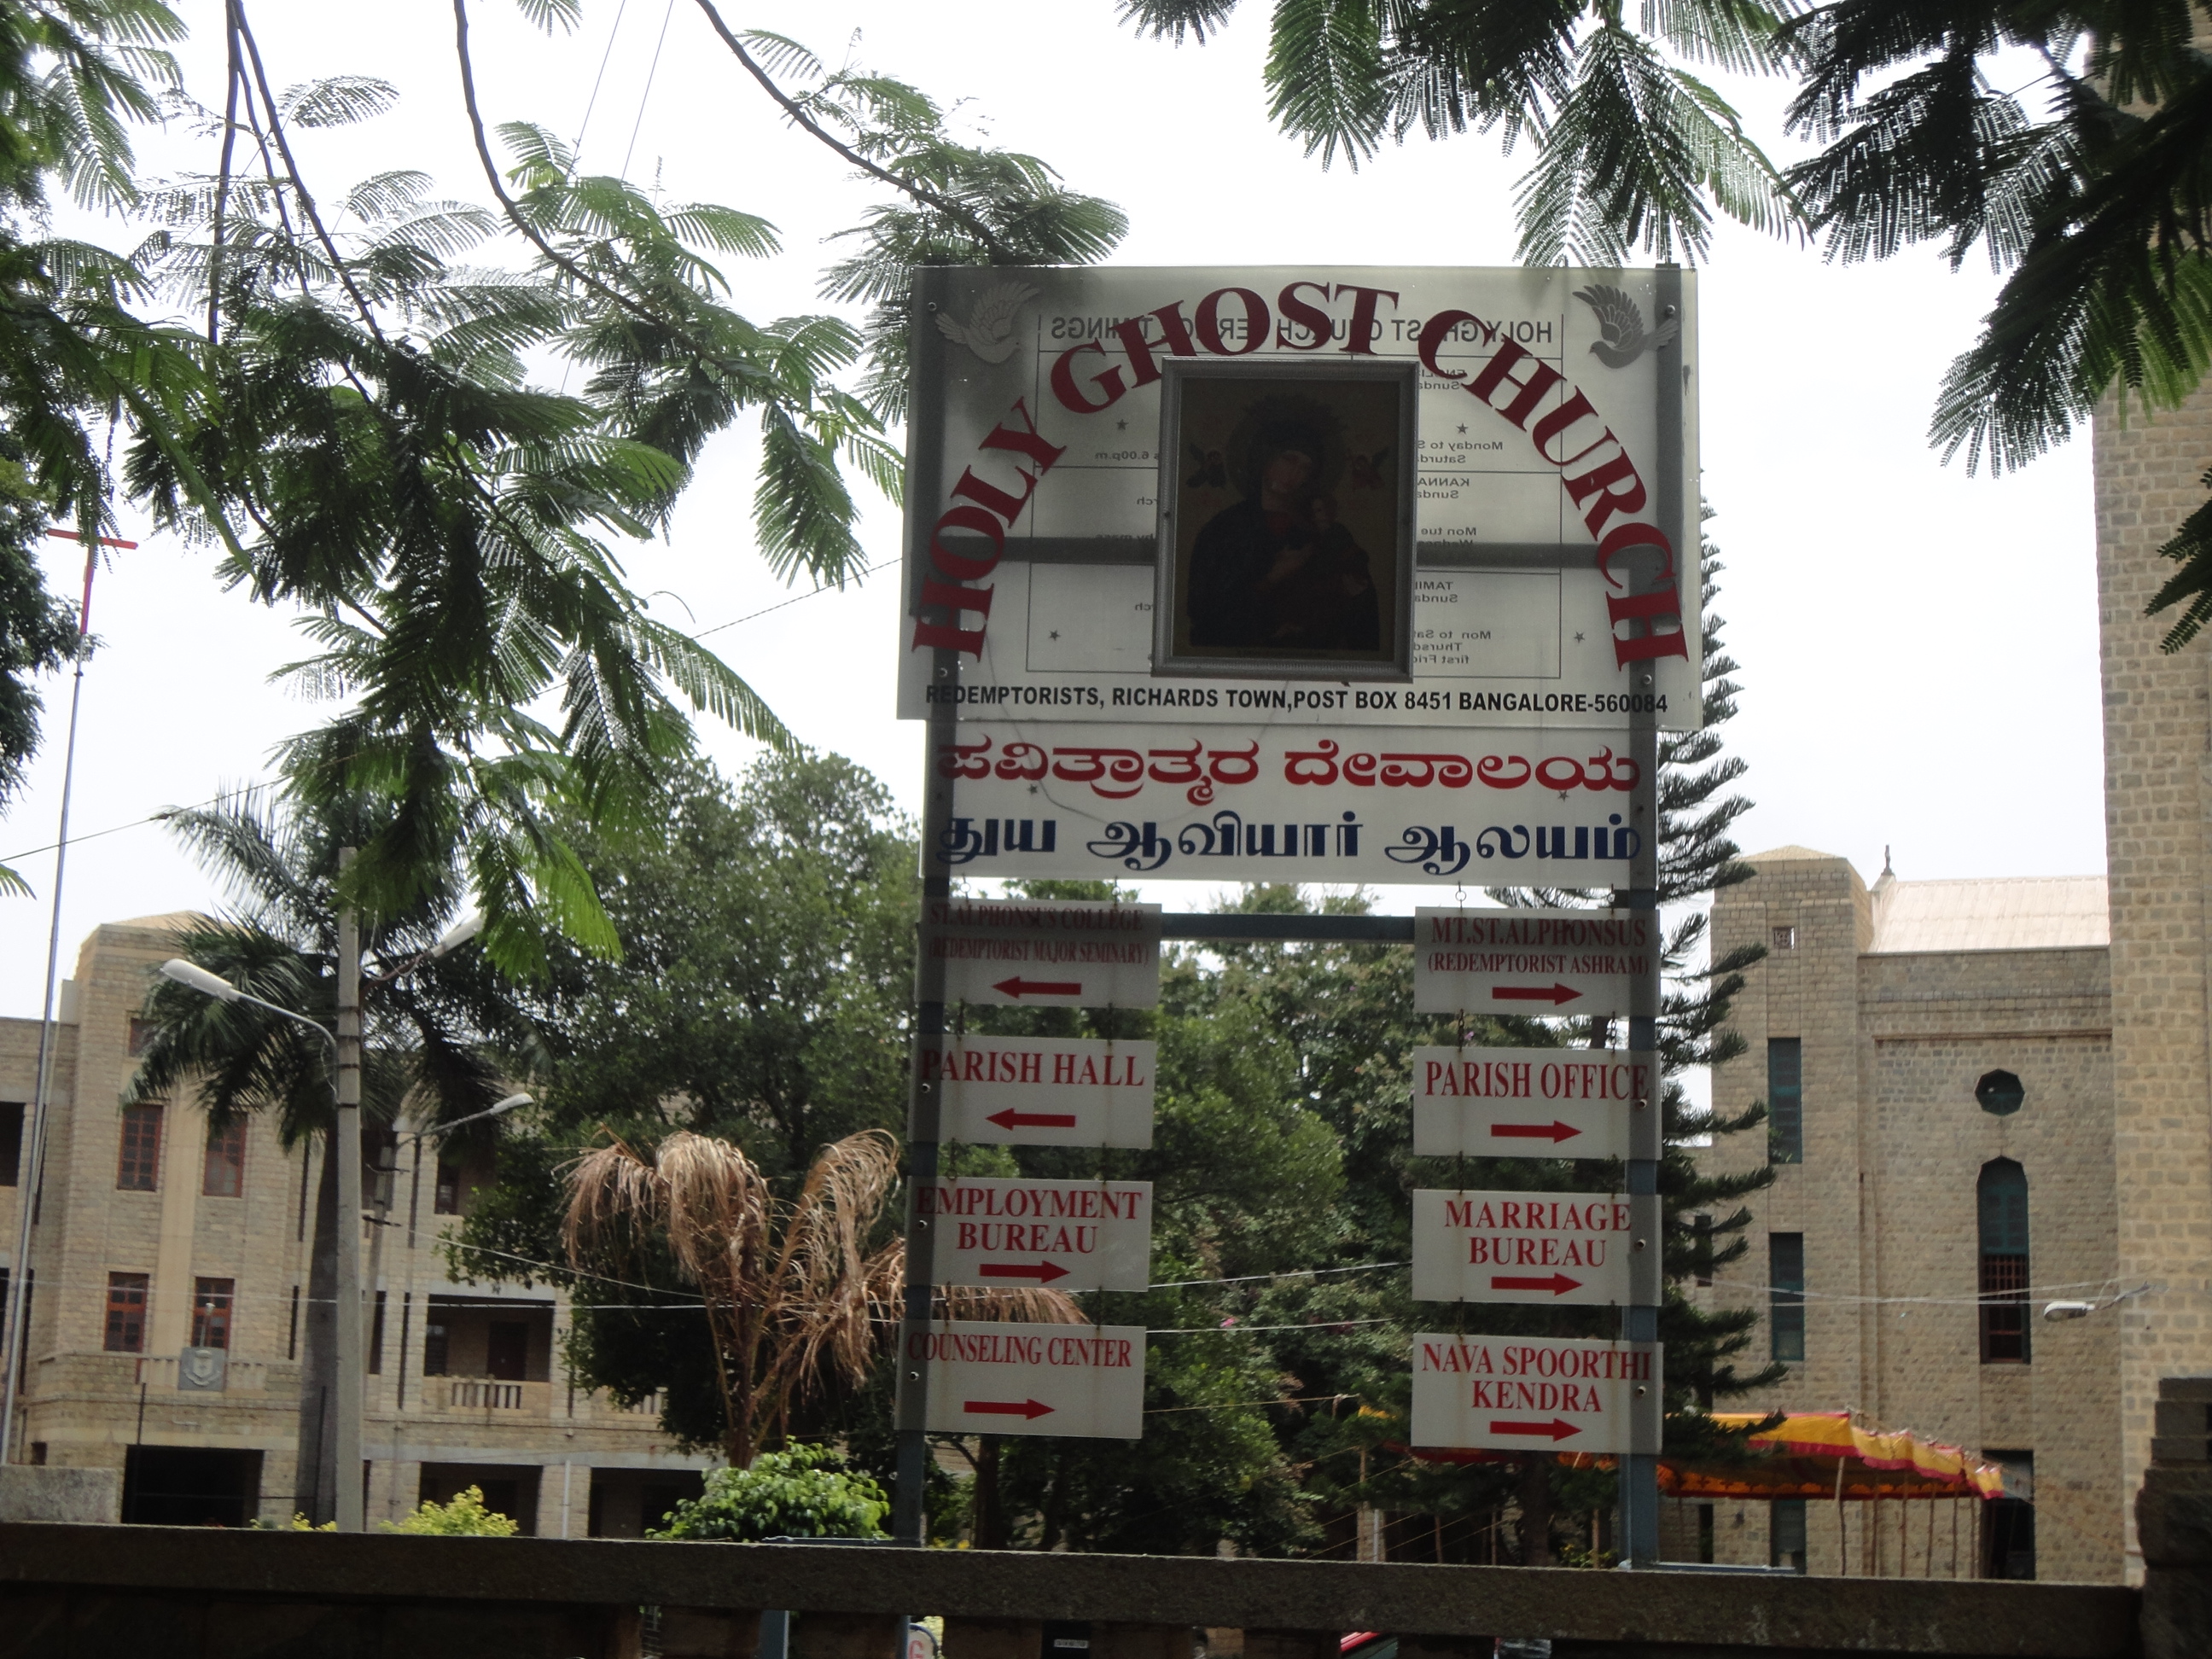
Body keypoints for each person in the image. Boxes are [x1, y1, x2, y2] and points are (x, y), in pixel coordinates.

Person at [1185, 422, 1379, 653]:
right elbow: (1204, 612)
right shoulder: (1224, 529)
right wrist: (1273, 578)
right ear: (1266, 459)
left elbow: (1358, 608)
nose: (1294, 474)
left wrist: (1353, 593)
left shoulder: (1319, 532)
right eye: (1288, 460)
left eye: (1305, 468)